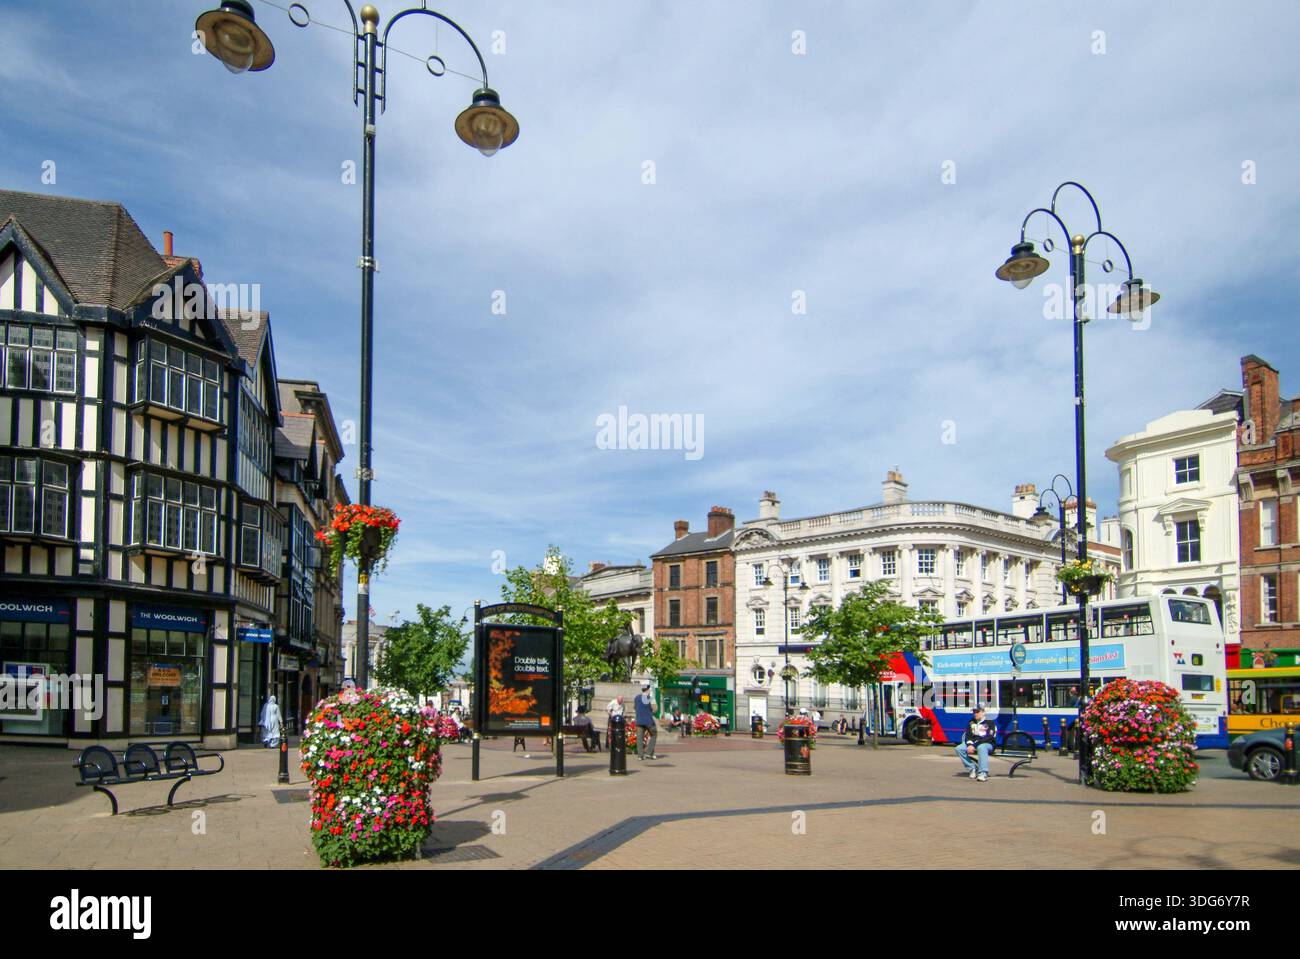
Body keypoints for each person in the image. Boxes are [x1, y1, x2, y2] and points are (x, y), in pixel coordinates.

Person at [955, 706, 997, 782]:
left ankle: (983, 773)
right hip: (973, 744)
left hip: (987, 744)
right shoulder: (971, 722)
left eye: (977, 712)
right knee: (959, 748)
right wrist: (969, 745)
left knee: (981, 747)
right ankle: (972, 768)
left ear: (983, 712)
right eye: (974, 712)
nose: (975, 714)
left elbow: (988, 737)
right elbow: (968, 735)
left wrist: (974, 746)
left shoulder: (990, 722)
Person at [634, 682, 658, 760]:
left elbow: (635, 707)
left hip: (639, 720)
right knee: (654, 734)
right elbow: (655, 709)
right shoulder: (650, 697)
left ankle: (640, 756)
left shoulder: (637, 698)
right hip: (648, 721)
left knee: (640, 738)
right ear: (647, 689)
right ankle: (648, 752)